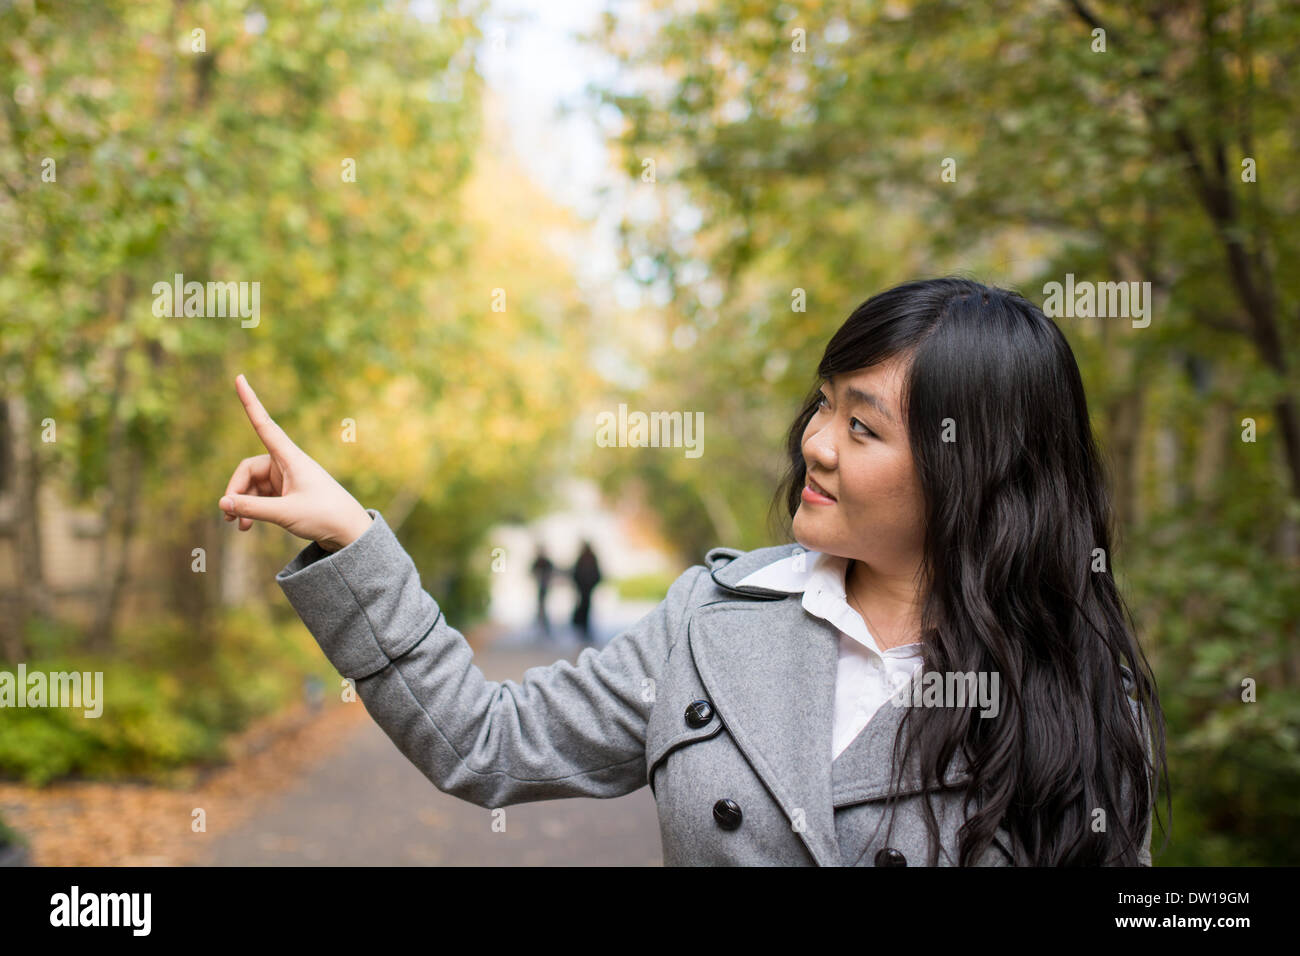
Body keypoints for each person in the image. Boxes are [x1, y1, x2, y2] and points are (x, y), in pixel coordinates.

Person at [218, 276, 1167, 866]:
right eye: (823, 406)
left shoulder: (1073, 691)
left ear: (976, 471)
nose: (814, 445)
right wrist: (352, 540)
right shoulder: (715, 624)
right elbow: (485, 741)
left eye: (862, 425)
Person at [570, 541, 602, 645]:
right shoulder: (583, 559)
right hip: (584, 588)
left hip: (587, 588)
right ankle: (582, 628)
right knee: (584, 608)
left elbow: (597, 574)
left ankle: (584, 628)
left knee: (586, 608)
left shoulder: (590, 558)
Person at [530, 545, 555, 638]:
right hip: (540, 587)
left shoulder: (546, 562)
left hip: (545, 587)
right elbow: (532, 571)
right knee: (540, 606)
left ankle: (544, 626)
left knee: (543, 606)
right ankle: (541, 625)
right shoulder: (538, 562)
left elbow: (552, 572)